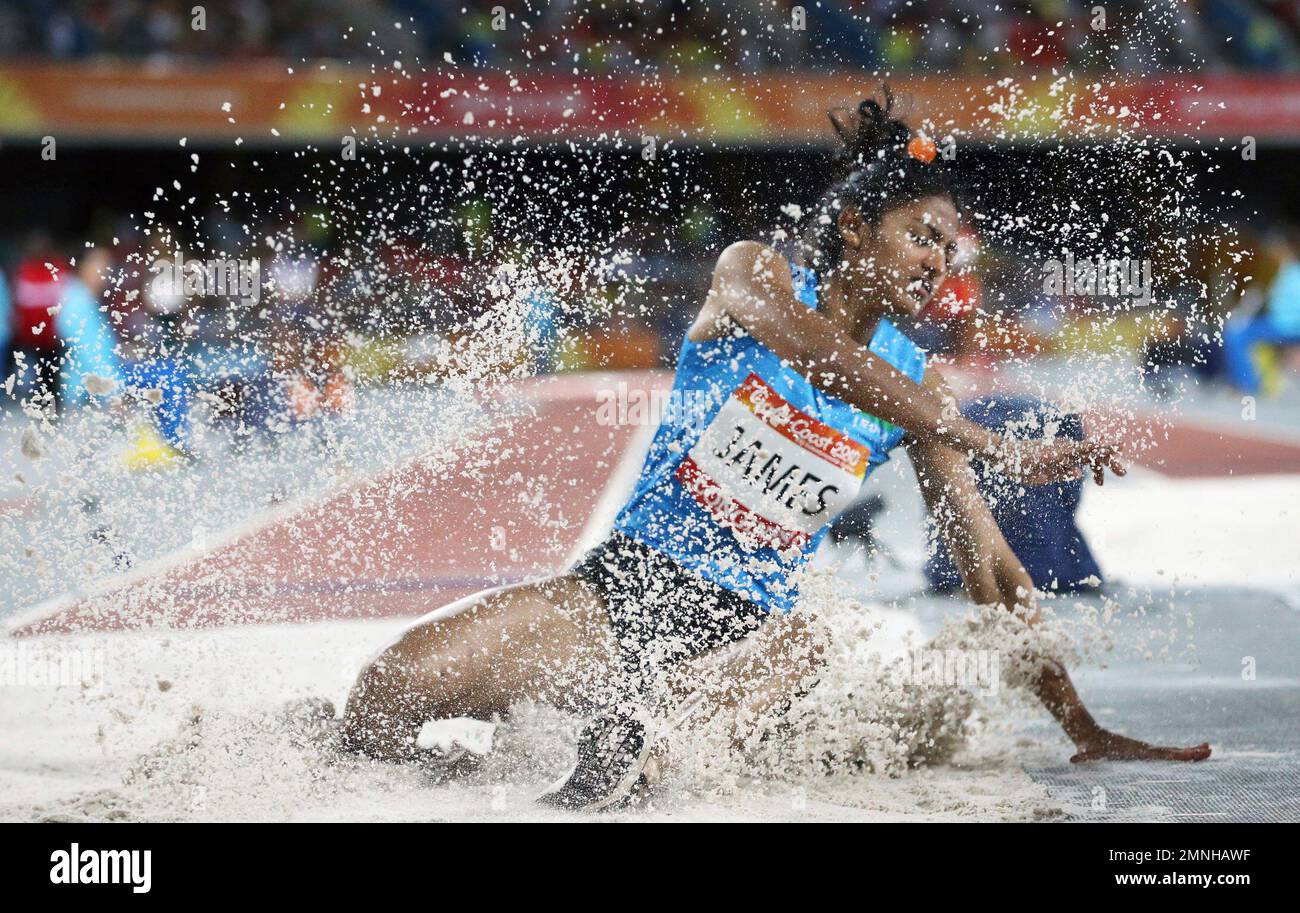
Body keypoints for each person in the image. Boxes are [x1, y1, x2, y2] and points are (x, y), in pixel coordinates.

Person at [337, 89, 1210, 812]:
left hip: (750, 638)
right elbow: (814, 349)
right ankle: (599, 732)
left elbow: (988, 567)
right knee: (376, 704)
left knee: (805, 643)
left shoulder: (919, 392)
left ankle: (637, 747)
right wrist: (983, 439)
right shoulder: (754, 276)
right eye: (922, 235)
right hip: (617, 596)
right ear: (859, 230)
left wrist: (1082, 727)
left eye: (953, 248)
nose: (941, 262)